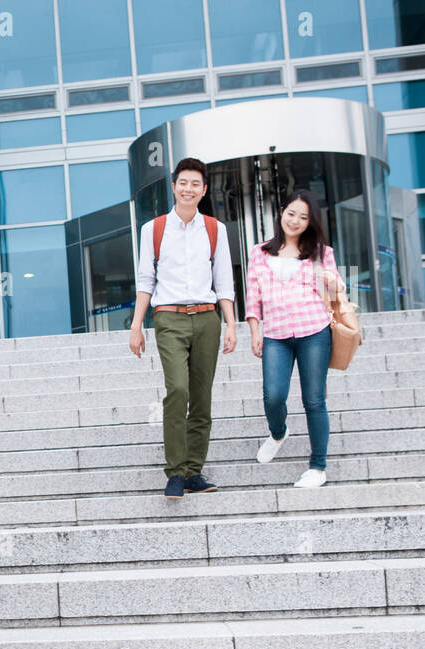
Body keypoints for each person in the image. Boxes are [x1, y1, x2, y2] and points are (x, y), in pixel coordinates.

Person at [129, 157, 238, 499]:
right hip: (170, 318)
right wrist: (136, 326)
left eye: (195, 184)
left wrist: (231, 323)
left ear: (204, 190)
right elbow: (146, 280)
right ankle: (175, 471)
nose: (188, 189)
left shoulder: (215, 229)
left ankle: (194, 471)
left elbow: (224, 280)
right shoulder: (154, 229)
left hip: (208, 318)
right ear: (174, 186)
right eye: (183, 183)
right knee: (178, 390)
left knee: (202, 398)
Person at [245, 188, 343, 487]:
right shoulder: (259, 252)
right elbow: (252, 296)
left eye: (303, 217)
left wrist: (328, 278)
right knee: (273, 396)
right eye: (291, 213)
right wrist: (254, 330)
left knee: (314, 400)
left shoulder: (321, 252)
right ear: (280, 212)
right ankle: (278, 432)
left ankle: (318, 467)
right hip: (275, 334)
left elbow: (338, 289)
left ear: (310, 221)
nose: (296, 221)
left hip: (314, 331)